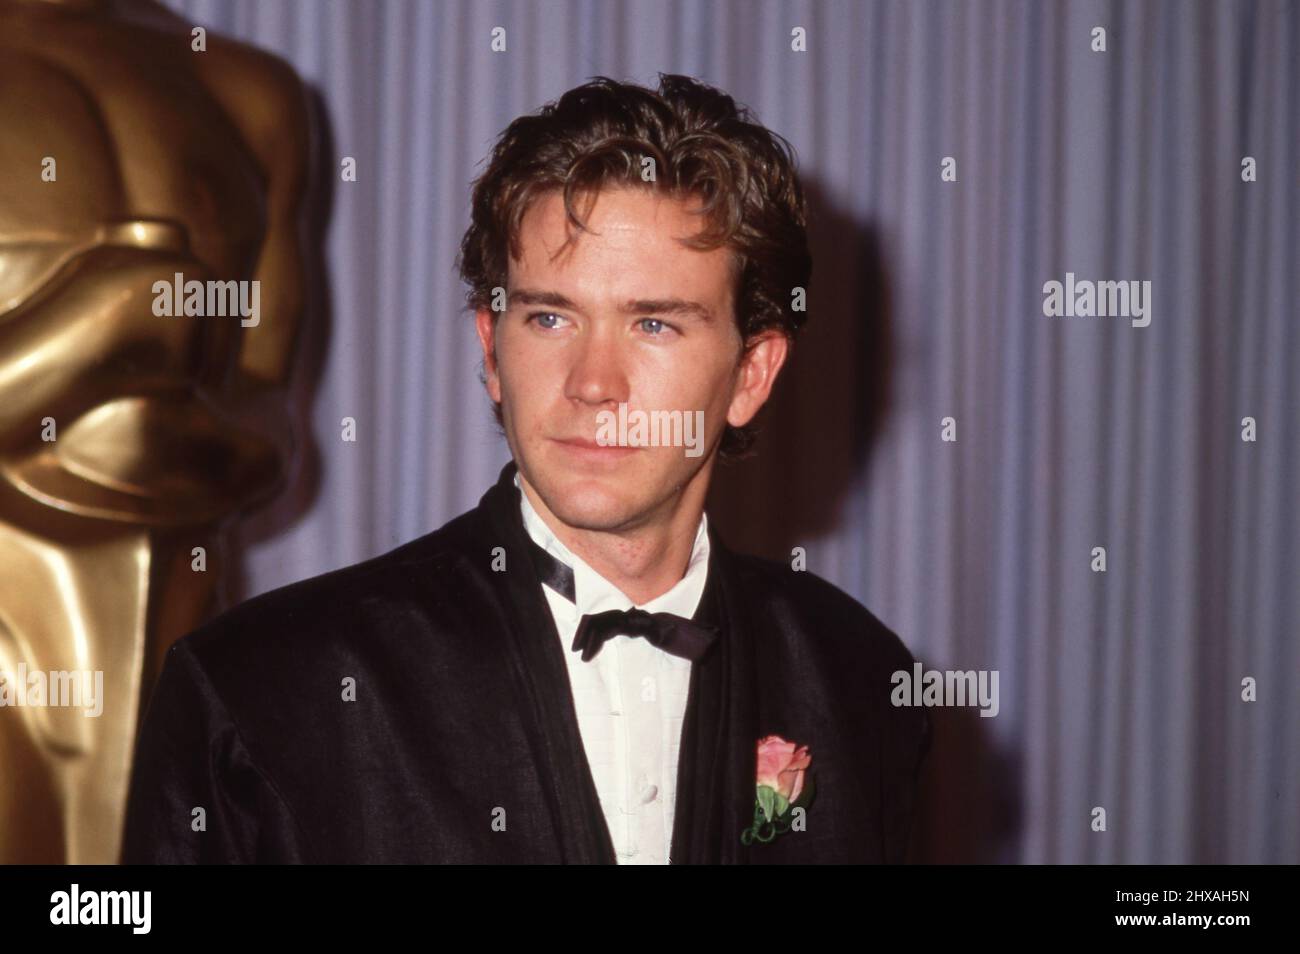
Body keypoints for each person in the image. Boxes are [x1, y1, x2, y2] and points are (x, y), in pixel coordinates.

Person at [121, 73, 931, 864]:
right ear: (492, 350)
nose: (591, 383)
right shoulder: (263, 690)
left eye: (653, 324)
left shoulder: (860, 682)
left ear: (751, 375)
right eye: (549, 316)